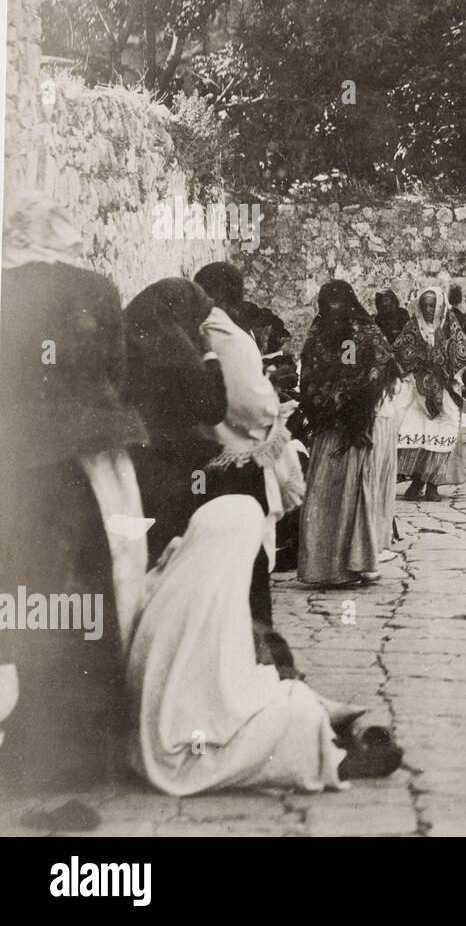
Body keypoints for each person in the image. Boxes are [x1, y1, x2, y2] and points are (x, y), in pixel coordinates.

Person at [0, 194, 149, 789]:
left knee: (25, 593)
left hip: (16, 463)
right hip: (90, 465)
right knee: (93, 590)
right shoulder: (95, 289)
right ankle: (89, 746)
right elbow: (117, 374)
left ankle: (30, 741)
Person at [127, 496, 400, 794]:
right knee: (300, 713)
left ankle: (328, 735)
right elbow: (222, 705)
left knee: (291, 693)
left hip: (164, 732)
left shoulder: (179, 585)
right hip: (182, 751)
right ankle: (335, 757)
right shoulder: (210, 605)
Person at [193, 262, 300, 673]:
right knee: (249, 561)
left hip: (211, 459)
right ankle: (258, 664)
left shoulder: (200, 327)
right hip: (238, 460)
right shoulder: (224, 331)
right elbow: (250, 404)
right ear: (229, 295)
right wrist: (274, 403)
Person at [297, 281, 402, 586]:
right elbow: (312, 374)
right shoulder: (320, 331)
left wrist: (353, 400)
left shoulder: (362, 330)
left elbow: (379, 367)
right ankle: (325, 567)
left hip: (353, 426)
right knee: (327, 493)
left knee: (349, 494)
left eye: (338, 301)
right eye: (328, 302)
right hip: (331, 426)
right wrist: (332, 400)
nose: (333, 308)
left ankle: (353, 563)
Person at [122, 279, 229, 564]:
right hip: (178, 465)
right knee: (177, 547)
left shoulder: (122, 344)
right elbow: (214, 409)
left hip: (135, 461)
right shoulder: (181, 355)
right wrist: (210, 356)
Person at [394, 285, 466, 501]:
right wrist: (422, 359)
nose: (429, 310)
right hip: (418, 392)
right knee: (418, 434)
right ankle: (416, 481)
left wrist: (443, 362)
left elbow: (463, 352)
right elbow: (401, 350)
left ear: (440, 306)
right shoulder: (413, 327)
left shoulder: (449, 327)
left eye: (433, 305)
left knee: (442, 435)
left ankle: (433, 485)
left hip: (444, 389)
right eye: (425, 306)